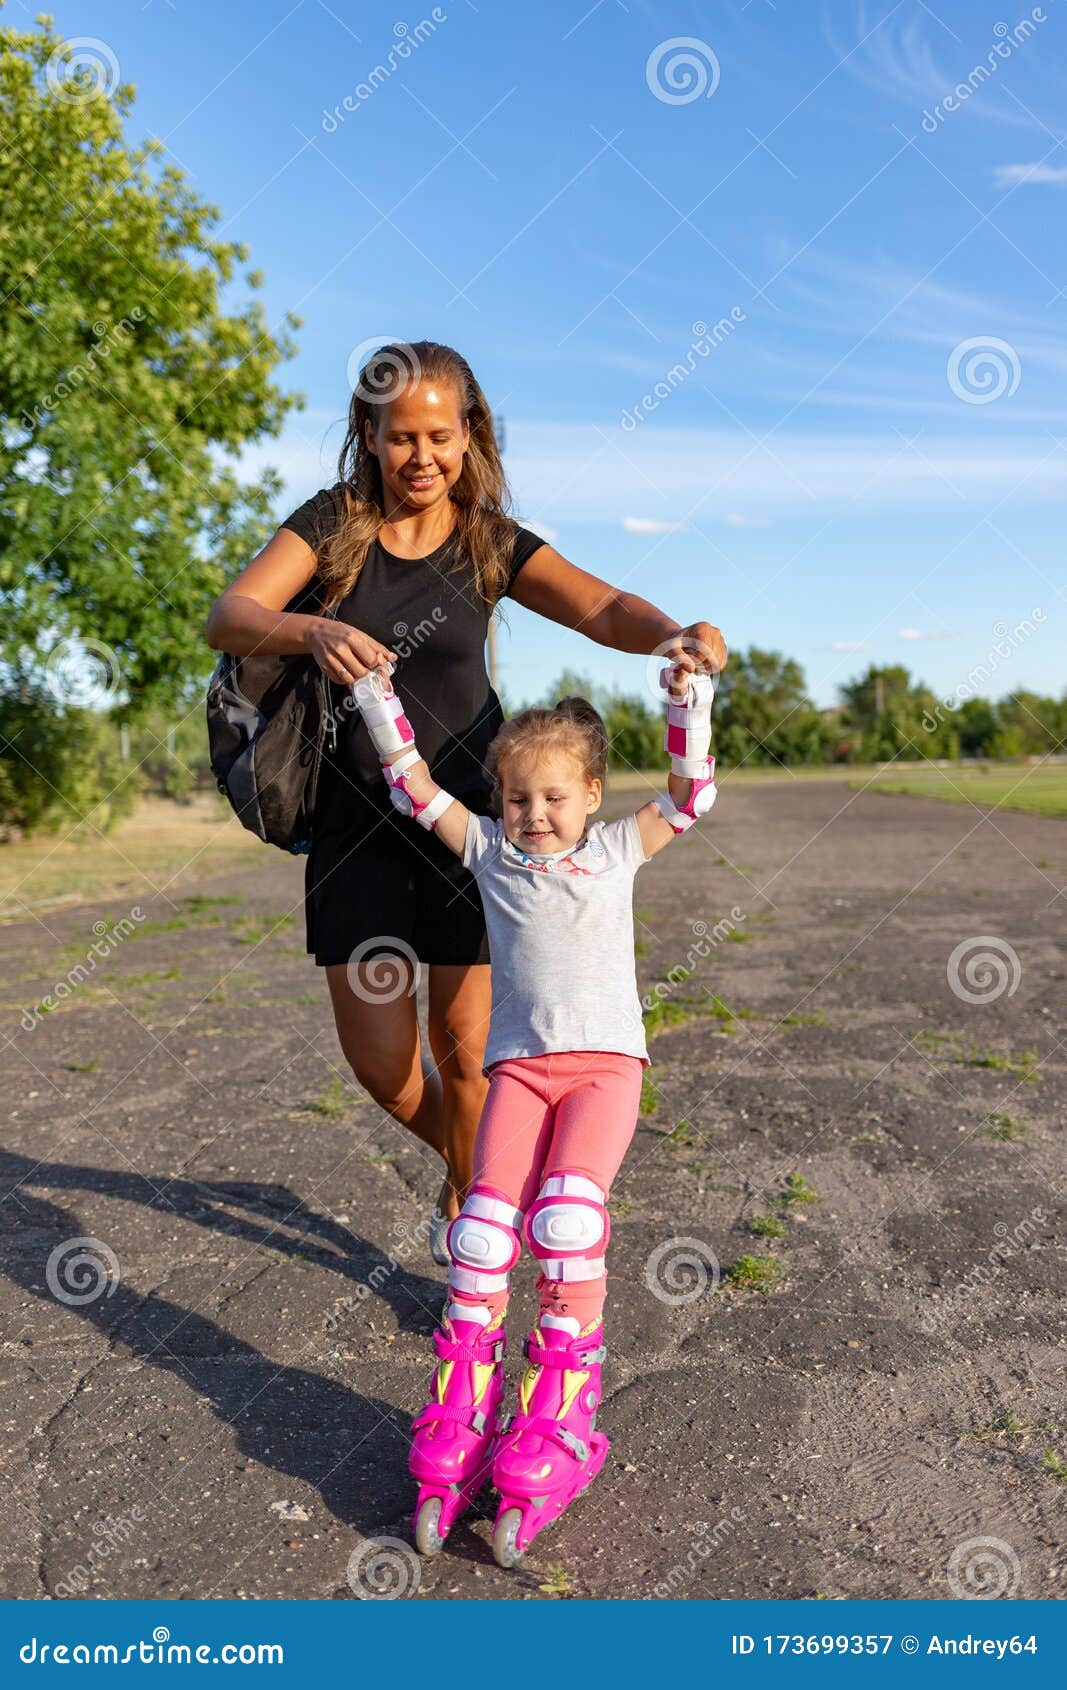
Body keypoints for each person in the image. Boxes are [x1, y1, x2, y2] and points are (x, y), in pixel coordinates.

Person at [203, 339, 727, 1262]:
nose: (422, 458)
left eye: (440, 436)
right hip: (355, 824)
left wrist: (672, 635)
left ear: (469, 433)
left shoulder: (486, 539)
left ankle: (473, 1212)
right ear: (367, 435)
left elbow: (602, 607)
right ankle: (488, 1172)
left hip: (475, 830)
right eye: (400, 437)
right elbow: (231, 615)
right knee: (380, 1066)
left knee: (463, 1043)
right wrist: (313, 627)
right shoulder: (330, 526)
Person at [349, 650, 718, 1565]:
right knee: (478, 1236)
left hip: (603, 1071)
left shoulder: (615, 848)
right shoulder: (487, 850)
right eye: (517, 798)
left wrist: (688, 702)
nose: (534, 814)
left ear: (590, 794)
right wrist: (373, 697)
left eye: (554, 797)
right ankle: (462, 1415)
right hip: (519, 1071)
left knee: (564, 1219)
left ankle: (557, 1419)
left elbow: (689, 795)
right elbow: (413, 787)